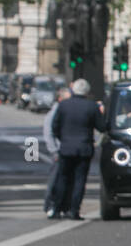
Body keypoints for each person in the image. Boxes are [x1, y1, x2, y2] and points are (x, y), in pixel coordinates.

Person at [49, 78, 106, 220]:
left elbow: (54, 126)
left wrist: (63, 139)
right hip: (84, 148)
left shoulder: (64, 105)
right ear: (87, 91)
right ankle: (74, 210)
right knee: (79, 181)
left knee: (62, 179)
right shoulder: (91, 106)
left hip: (67, 147)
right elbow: (102, 127)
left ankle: (57, 208)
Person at [42, 86, 72, 214]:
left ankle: (64, 206)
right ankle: (50, 205)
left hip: (67, 151)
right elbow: (48, 133)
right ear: (60, 99)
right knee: (55, 181)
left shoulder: (66, 111)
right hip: (59, 151)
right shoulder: (54, 113)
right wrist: (54, 151)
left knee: (67, 181)